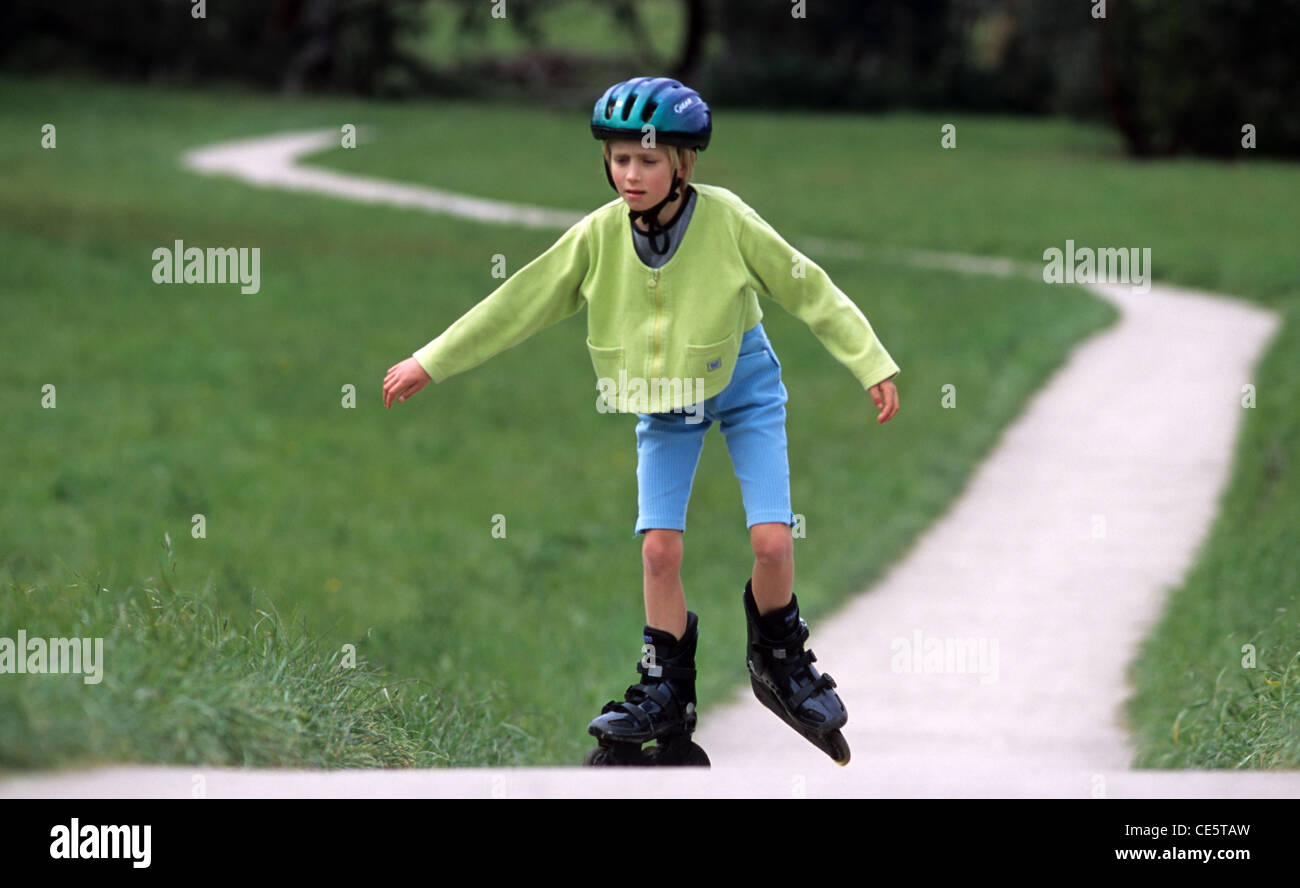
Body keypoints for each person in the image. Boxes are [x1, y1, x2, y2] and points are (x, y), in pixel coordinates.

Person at [382, 76, 900, 765]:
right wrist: (431, 361)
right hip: (665, 404)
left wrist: (870, 362)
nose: (631, 174)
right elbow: (519, 302)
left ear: (683, 165)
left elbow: (809, 288)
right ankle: (664, 689)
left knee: (773, 542)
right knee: (659, 550)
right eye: (620, 158)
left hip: (745, 387)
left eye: (648, 160)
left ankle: (780, 658)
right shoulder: (597, 237)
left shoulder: (729, 220)